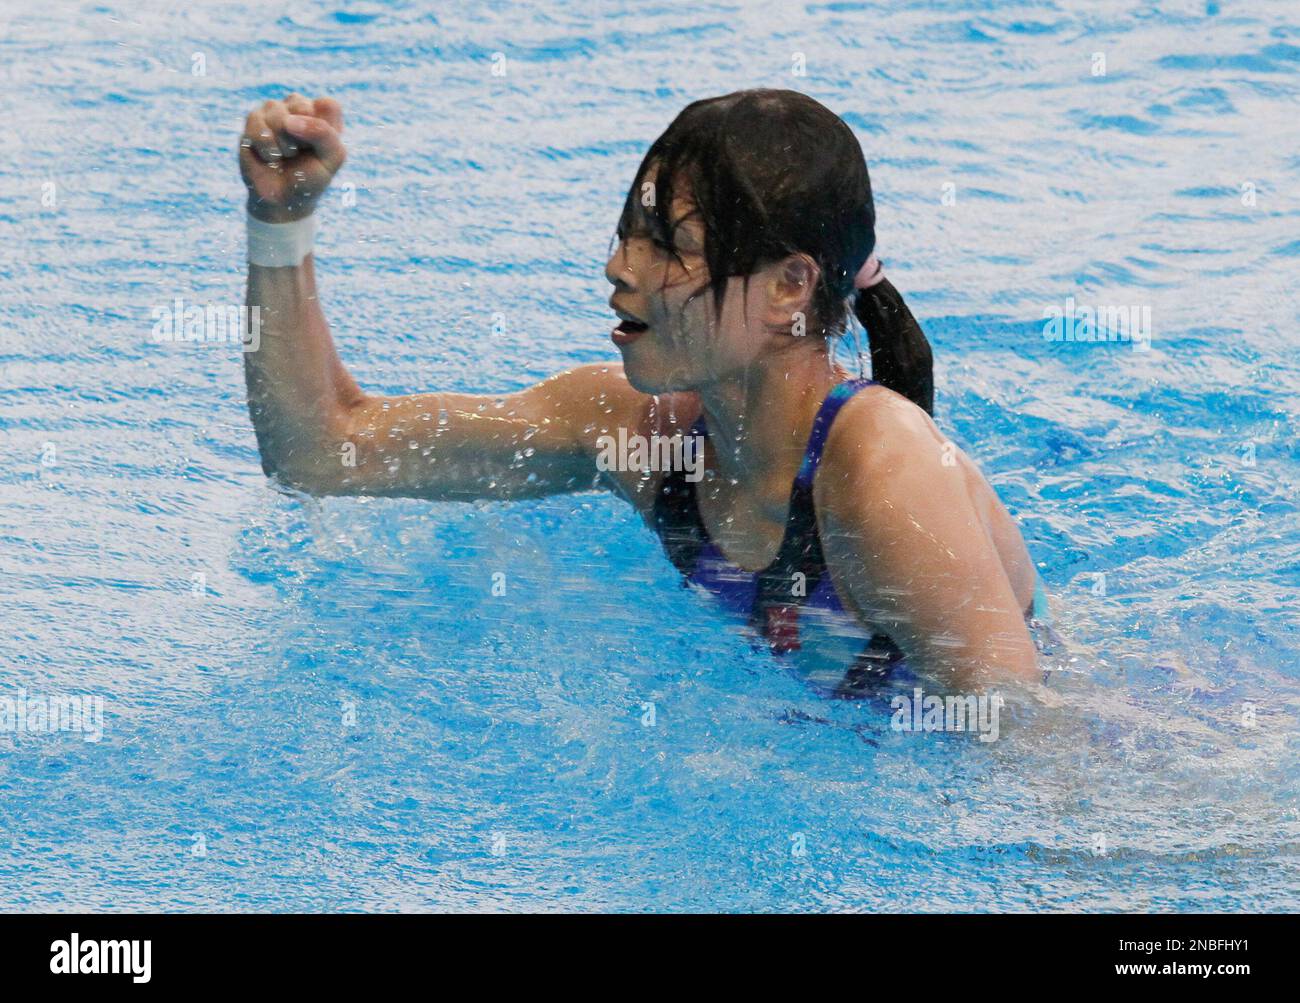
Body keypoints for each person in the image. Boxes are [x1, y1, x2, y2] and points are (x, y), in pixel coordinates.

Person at [238, 88, 1048, 695]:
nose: (620, 268)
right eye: (630, 230)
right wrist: (280, 227)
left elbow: (1025, 751)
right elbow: (323, 450)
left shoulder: (883, 477)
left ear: (787, 288)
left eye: (670, 245)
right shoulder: (638, 434)